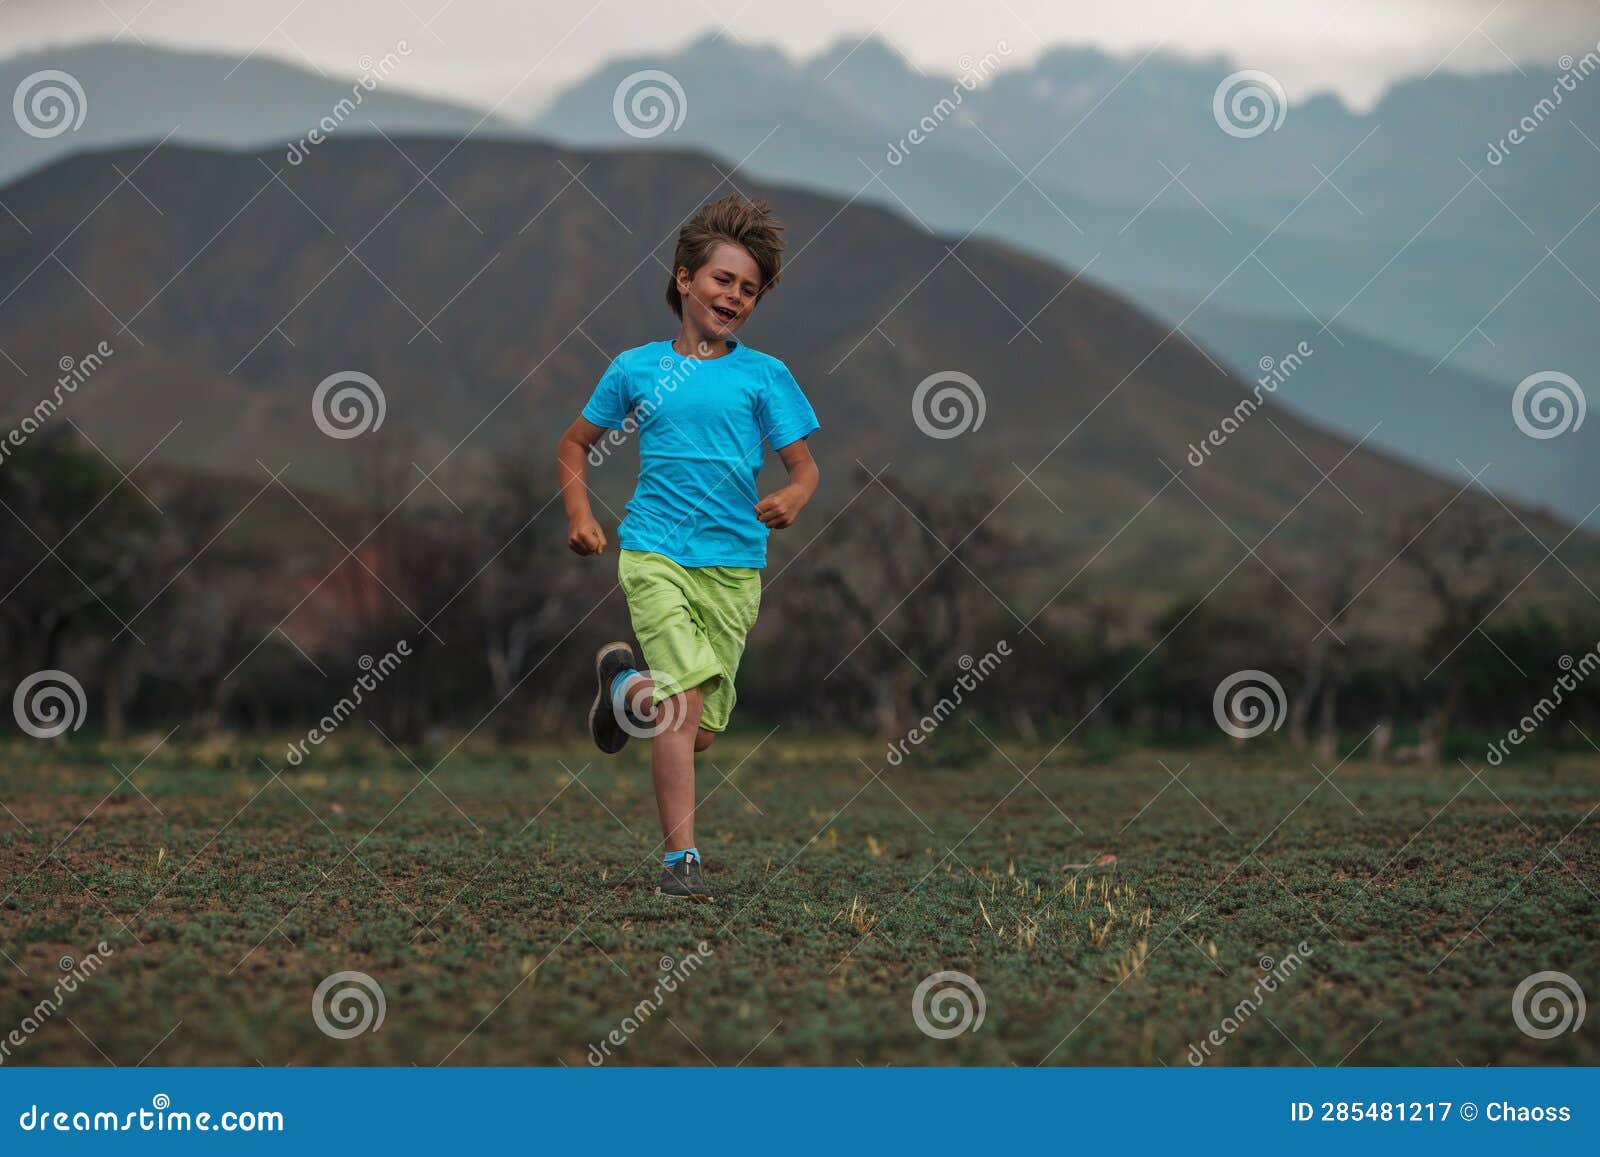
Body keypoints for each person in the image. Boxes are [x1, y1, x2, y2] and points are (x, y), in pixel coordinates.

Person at [556, 194, 820, 900]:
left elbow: (804, 468)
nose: (733, 295)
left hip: (733, 569)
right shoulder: (636, 369)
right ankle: (681, 863)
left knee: (697, 730)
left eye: (748, 289)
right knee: (681, 712)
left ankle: (624, 689)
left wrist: (794, 498)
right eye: (722, 279)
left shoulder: (764, 376)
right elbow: (574, 444)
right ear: (684, 279)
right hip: (654, 555)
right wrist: (580, 515)